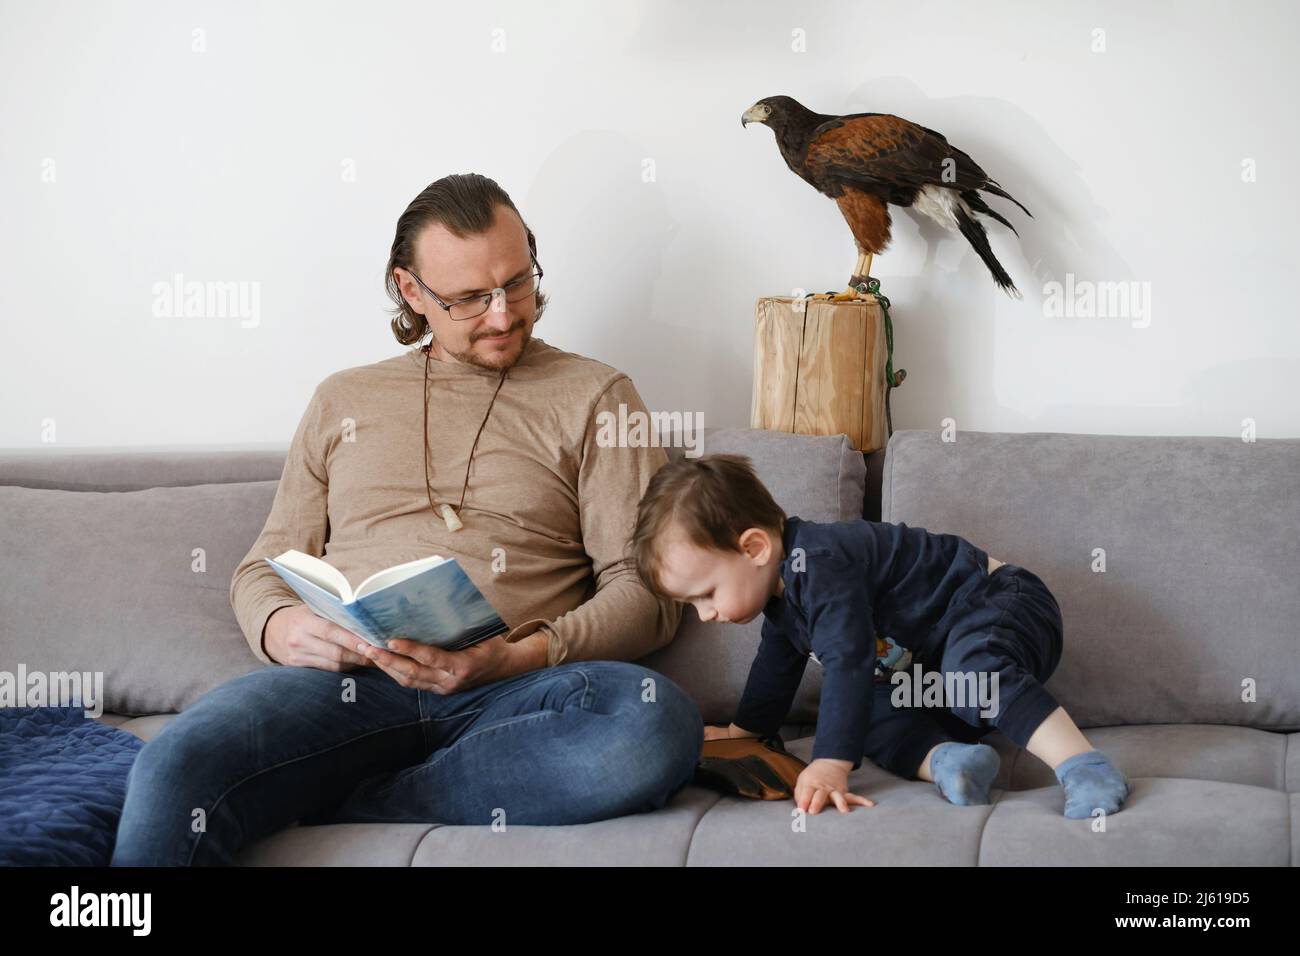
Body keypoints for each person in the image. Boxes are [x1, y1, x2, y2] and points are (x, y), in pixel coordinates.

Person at [110, 174, 702, 866]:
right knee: (174, 764)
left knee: (652, 723)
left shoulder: (598, 395)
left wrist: (516, 655)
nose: (505, 314)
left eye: (517, 283)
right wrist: (283, 626)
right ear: (412, 292)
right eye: (468, 300)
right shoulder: (343, 399)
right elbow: (262, 566)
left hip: (516, 695)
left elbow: (647, 590)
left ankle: (364, 796)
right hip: (345, 689)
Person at [630, 453, 1131, 820]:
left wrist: (830, 761)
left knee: (972, 670)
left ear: (755, 547)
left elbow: (848, 661)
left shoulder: (821, 563)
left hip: (1000, 602)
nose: (706, 615)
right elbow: (774, 671)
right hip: (930, 667)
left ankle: (1084, 767)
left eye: (707, 594)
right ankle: (950, 763)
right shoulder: (783, 603)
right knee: (872, 713)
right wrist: (745, 732)